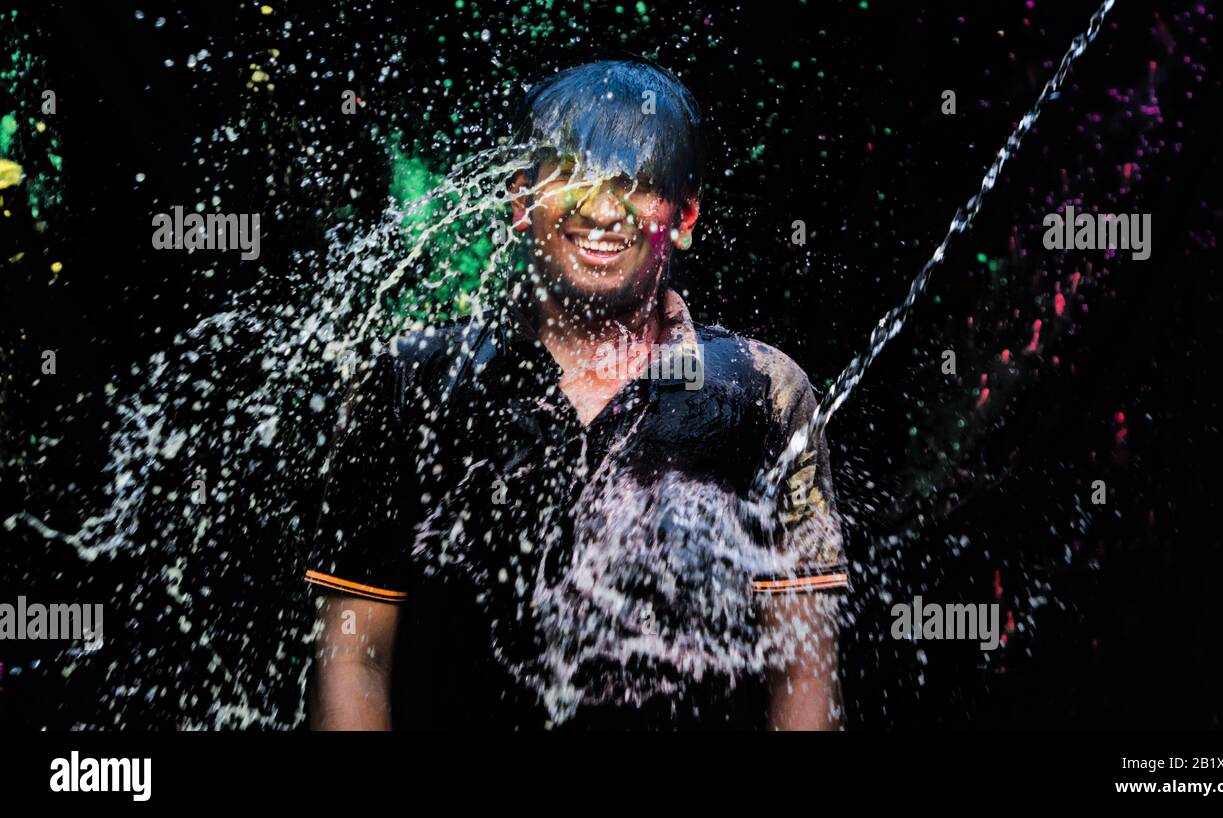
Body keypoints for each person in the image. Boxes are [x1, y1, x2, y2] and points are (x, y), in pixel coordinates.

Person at [307, 59, 849, 730]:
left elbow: (803, 675)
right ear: (518, 200)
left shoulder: (763, 393)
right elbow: (353, 660)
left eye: (638, 182)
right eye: (571, 174)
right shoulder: (413, 383)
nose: (600, 208)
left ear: (685, 215)